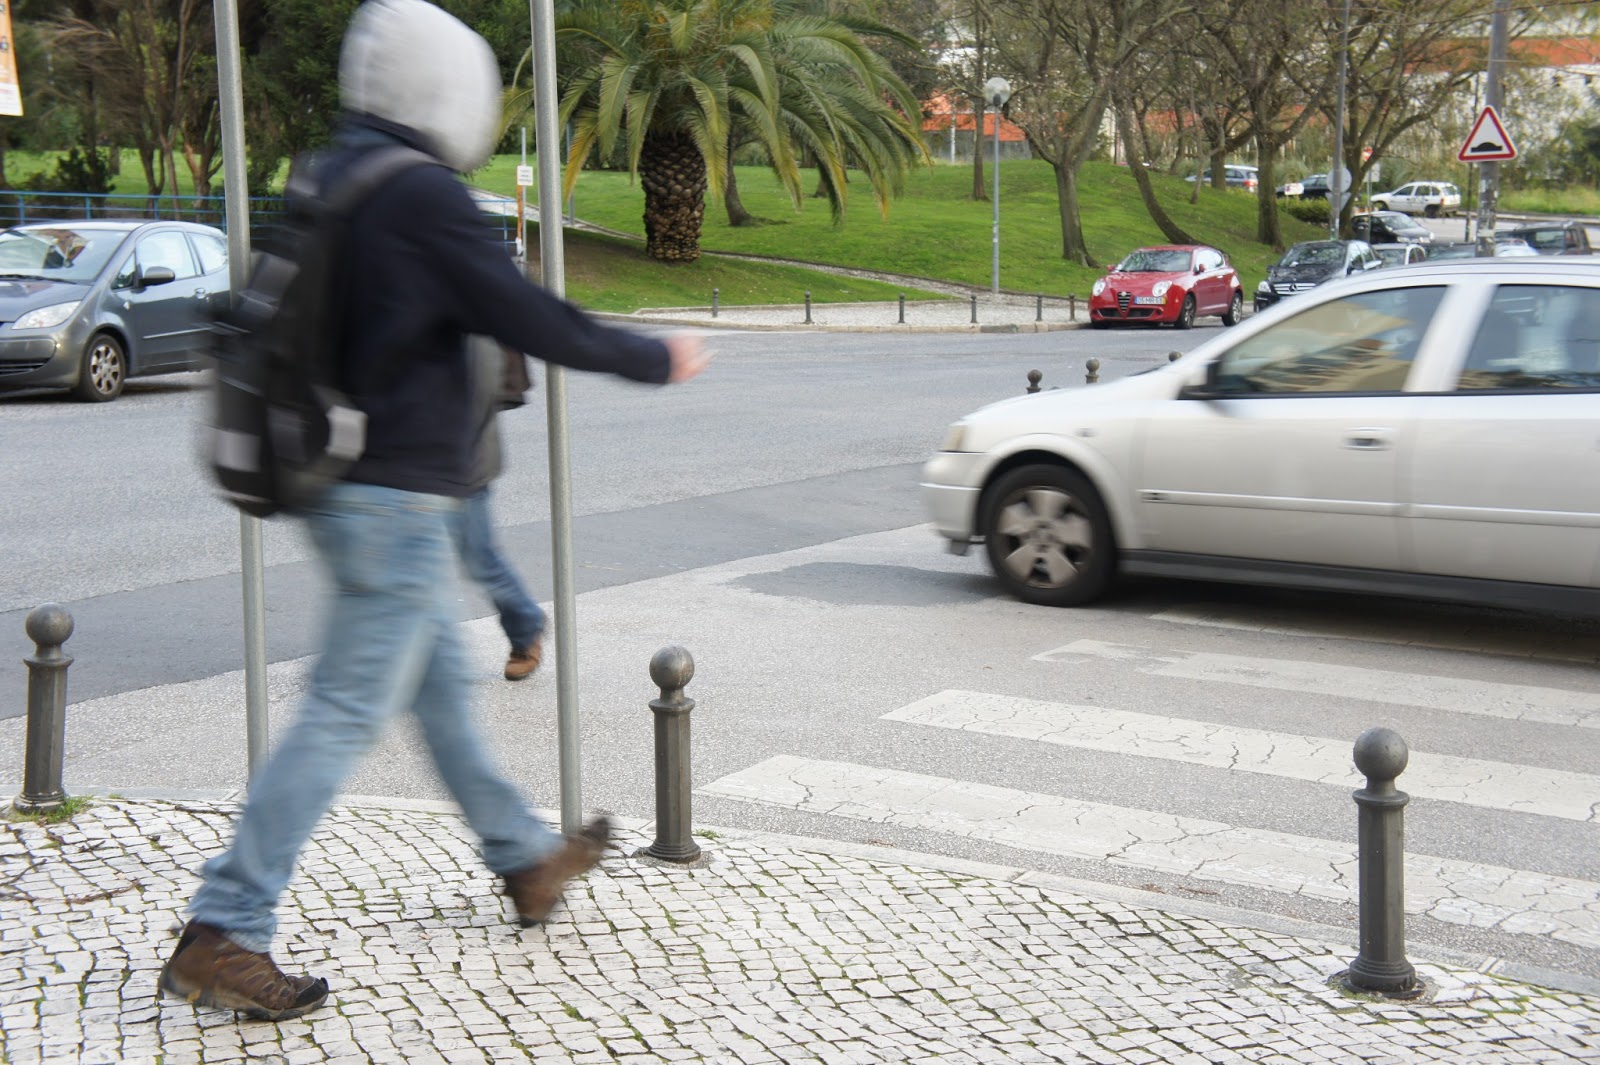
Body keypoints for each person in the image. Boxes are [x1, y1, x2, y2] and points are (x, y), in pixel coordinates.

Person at [159, 0, 708, 1022]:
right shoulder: (422, 194)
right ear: (446, 89)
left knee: (442, 687)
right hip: (394, 498)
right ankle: (225, 924)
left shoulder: (338, 172)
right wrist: (649, 354)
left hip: (350, 483)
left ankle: (524, 859)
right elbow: (521, 313)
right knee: (340, 711)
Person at [456, 338, 545, 681]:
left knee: (479, 558)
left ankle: (525, 626)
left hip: (459, 456)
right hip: (404, 458)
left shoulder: (464, 299)